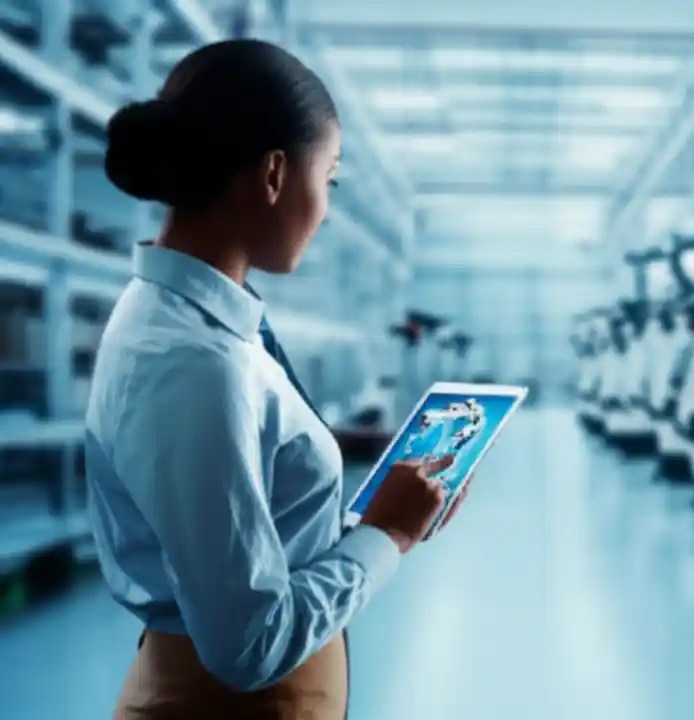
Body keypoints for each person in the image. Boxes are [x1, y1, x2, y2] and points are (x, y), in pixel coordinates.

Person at [86, 39, 452, 719]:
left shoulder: (208, 329)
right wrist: (386, 538)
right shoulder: (192, 360)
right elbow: (250, 645)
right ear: (277, 174)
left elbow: (255, 531)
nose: (328, 208)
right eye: (330, 178)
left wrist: (375, 516)